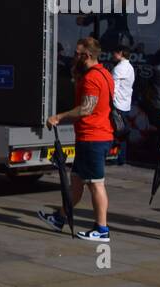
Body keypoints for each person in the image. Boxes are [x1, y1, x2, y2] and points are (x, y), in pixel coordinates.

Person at [37, 36, 114, 242]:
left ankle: (102, 229)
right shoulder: (104, 74)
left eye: (77, 53)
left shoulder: (92, 78)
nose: (74, 56)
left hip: (93, 137)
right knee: (77, 183)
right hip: (93, 135)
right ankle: (60, 218)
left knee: (96, 184)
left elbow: (86, 108)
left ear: (87, 55)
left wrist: (58, 116)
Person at [110, 41, 135, 163]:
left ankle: (115, 158)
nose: (112, 55)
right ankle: (122, 158)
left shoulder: (118, 68)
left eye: (114, 53)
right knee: (122, 134)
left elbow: (113, 88)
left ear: (120, 53)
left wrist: (110, 103)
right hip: (126, 104)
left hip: (117, 105)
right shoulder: (130, 67)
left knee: (116, 132)